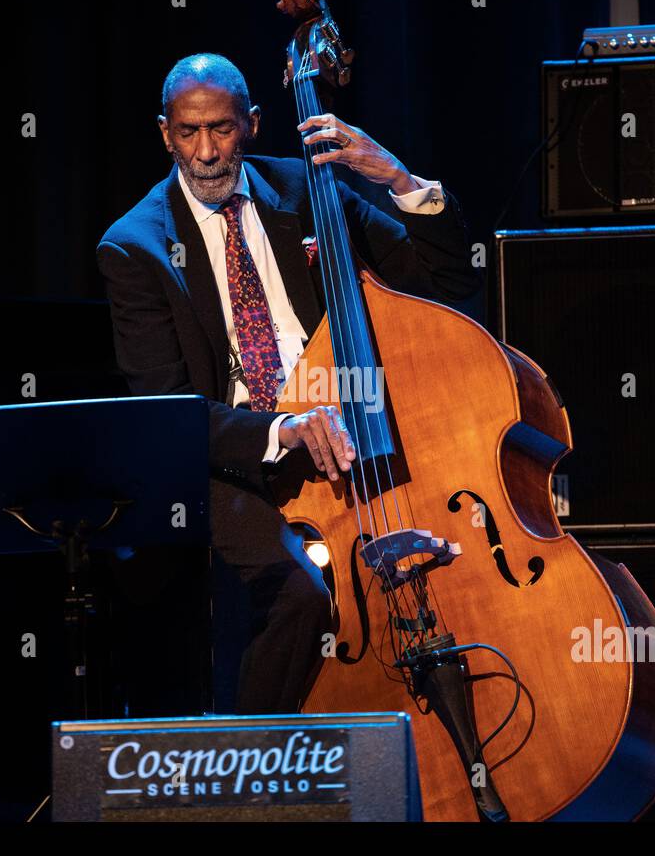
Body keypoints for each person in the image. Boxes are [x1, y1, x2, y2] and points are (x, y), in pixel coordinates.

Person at [96, 53, 479, 713]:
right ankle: (252, 775)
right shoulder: (134, 246)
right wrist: (285, 429)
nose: (208, 152)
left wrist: (395, 176)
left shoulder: (307, 192)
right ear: (166, 133)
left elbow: (444, 282)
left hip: (356, 438)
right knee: (302, 594)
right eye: (189, 133)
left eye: (221, 129)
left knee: (450, 565)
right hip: (233, 465)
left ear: (252, 124)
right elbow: (171, 412)